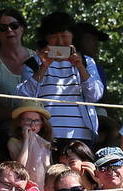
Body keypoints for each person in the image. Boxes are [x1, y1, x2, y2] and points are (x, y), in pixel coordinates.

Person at [18, 12, 105, 144]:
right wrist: (44, 66)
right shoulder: (33, 64)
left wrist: (80, 67)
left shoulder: (87, 62)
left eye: (64, 36)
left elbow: (95, 95)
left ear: (73, 36)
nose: (59, 42)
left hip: (81, 134)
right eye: (53, 37)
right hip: (44, 134)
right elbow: (24, 98)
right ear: (45, 38)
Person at [0, 7, 36, 121]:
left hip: (39, 129)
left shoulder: (39, 59)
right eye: (2, 28)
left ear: (22, 28)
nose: (9, 30)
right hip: (5, 132)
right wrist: (16, 115)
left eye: (14, 26)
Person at [6, 103, 53, 191]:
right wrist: (27, 140)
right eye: (28, 120)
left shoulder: (46, 143)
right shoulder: (13, 142)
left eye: (36, 120)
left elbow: (48, 169)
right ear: (20, 122)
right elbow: (20, 167)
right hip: (24, 187)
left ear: (42, 124)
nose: (32, 124)